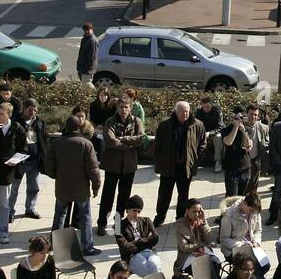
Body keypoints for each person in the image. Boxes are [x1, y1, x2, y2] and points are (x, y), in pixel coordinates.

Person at [45, 113, 102, 257]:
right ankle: (87, 247)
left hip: (62, 187)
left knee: (59, 215)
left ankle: (55, 244)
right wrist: (96, 186)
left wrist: (56, 176)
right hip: (81, 188)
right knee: (85, 217)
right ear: (79, 127)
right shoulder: (86, 144)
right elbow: (93, 169)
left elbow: (49, 165)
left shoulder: (56, 143)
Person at [0, 102, 28, 245]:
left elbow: (23, 148)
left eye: (2, 114)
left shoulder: (17, 128)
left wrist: (17, 161)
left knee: (4, 204)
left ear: (9, 115)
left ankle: (1, 232)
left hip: (6, 171)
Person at [153, 101, 206, 227]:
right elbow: (157, 145)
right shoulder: (165, 125)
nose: (185, 114)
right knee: (164, 195)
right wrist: (161, 160)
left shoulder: (197, 125)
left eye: (187, 111)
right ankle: (160, 217)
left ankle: (180, 218)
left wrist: (196, 159)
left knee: (183, 196)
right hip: (168, 166)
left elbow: (202, 144)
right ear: (176, 112)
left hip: (185, 167)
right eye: (182, 111)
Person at [96, 96, 142, 237]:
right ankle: (102, 223)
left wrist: (124, 139)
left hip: (128, 165)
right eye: (121, 107)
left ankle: (118, 224)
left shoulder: (136, 121)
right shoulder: (110, 121)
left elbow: (140, 139)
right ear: (117, 108)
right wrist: (127, 145)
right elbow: (110, 141)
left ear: (130, 108)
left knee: (124, 196)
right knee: (107, 196)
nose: (123, 110)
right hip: (113, 165)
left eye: (126, 107)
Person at [7, 98, 47, 222]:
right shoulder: (16, 121)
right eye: (30, 110)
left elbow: (44, 138)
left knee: (33, 187)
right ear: (24, 108)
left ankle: (30, 209)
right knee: (14, 189)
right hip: (20, 160)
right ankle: (9, 212)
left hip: (34, 160)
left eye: (35, 110)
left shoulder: (39, 122)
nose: (33, 113)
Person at [116, 195, 162, 277]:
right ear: (127, 210)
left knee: (155, 265)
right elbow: (125, 247)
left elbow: (155, 238)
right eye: (134, 211)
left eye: (139, 211)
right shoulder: (118, 226)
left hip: (149, 252)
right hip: (133, 256)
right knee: (150, 274)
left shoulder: (146, 221)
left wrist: (138, 242)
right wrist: (146, 241)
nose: (136, 214)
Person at [220, 192, 265, 272]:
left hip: (252, 247)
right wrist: (243, 246)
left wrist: (257, 242)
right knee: (253, 266)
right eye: (251, 210)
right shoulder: (229, 215)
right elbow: (224, 240)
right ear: (244, 203)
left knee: (265, 265)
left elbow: (257, 230)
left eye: (254, 211)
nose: (252, 213)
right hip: (233, 249)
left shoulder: (255, 212)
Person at [174, 199, 215, 277]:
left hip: (203, 251)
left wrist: (204, 222)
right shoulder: (180, 225)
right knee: (197, 268)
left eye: (199, 211)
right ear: (187, 211)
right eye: (194, 212)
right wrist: (200, 244)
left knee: (215, 263)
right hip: (188, 256)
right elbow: (185, 247)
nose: (197, 214)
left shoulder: (201, 222)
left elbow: (209, 240)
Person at [222, 109, 252, 198]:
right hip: (232, 169)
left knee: (242, 198)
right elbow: (228, 142)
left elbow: (248, 147)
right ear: (233, 118)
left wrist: (243, 131)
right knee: (232, 199)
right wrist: (235, 127)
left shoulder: (247, 130)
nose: (240, 121)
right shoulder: (226, 130)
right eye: (237, 118)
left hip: (245, 168)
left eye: (241, 118)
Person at [195, 94, 224, 174]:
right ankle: (194, 160)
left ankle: (218, 161)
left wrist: (210, 133)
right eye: (204, 107)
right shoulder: (198, 112)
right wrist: (201, 133)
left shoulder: (217, 111)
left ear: (211, 105)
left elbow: (220, 127)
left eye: (207, 107)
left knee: (218, 137)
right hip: (202, 132)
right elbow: (195, 125)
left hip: (214, 132)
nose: (205, 109)